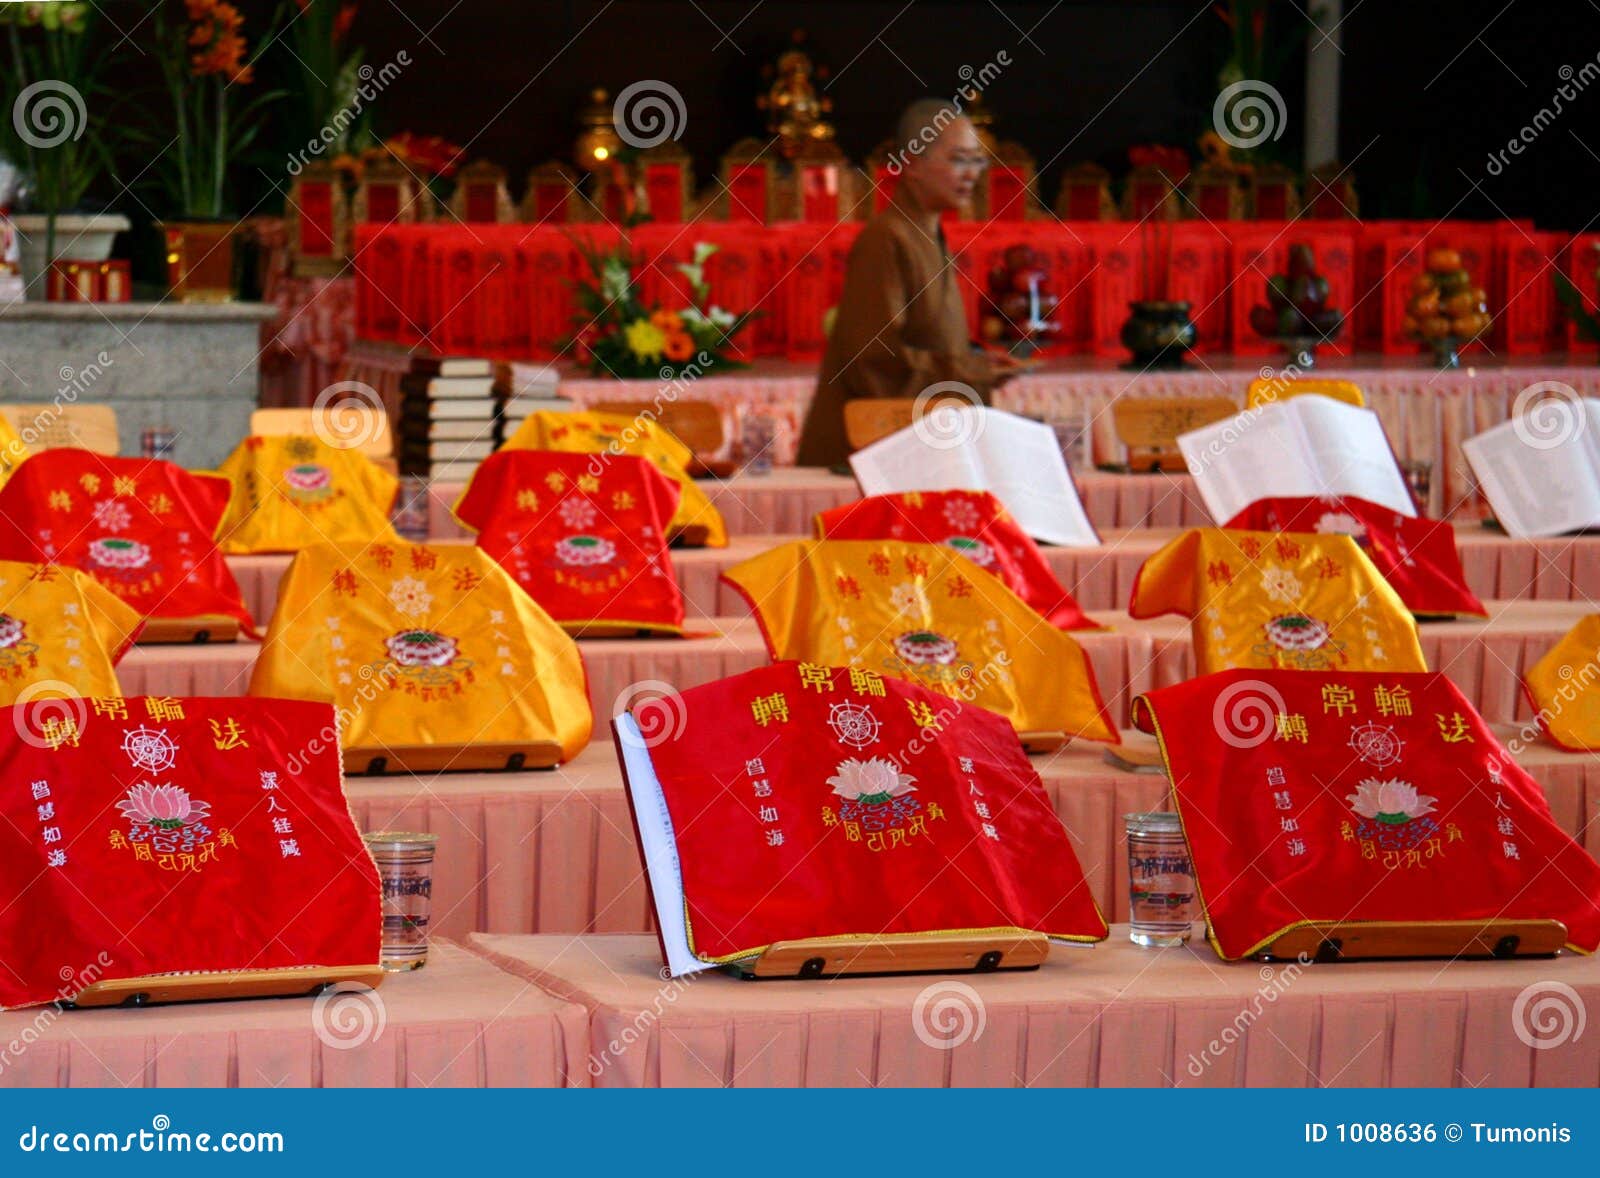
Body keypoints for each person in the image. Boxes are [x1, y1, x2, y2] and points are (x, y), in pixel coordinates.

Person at [795, 99, 1021, 467]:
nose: (972, 174)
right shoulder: (886, 238)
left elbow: (928, 338)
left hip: (915, 446)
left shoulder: (926, 233)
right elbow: (873, 359)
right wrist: (970, 371)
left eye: (977, 161)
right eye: (959, 160)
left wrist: (976, 360)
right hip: (864, 456)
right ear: (913, 164)